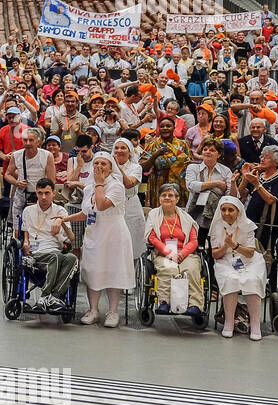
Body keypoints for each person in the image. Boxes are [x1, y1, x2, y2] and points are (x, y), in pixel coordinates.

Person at [59, 151, 133, 327]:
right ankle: (93, 310)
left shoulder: (116, 186)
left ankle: (113, 312)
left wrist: (99, 184)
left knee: (113, 271)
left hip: (114, 234)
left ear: (110, 167)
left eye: (103, 164)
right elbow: (87, 212)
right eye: (96, 163)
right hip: (94, 234)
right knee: (92, 270)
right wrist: (65, 218)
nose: (99, 166)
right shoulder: (89, 187)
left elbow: (101, 205)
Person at [208, 196, 266, 340]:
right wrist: (226, 246)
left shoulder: (248, 225)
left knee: (252, 280)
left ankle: (255, 324)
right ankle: (229, 322)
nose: (226, 213)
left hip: (249, 261)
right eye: (223, 210)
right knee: (231, 280)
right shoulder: (216, 226)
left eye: (230, 210)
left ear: (238, 212)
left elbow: (250, 252)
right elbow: (215, 254)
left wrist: (235, 246)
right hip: (225, 261)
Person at [144, 184, 204, 318]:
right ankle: (164, 301)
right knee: (168, 269)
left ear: (177, 199)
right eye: (163, 195)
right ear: (159, 199)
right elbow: (152, 237)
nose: (167, 198)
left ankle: (195, 305)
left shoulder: (186, 218)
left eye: (170, 195)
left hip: (185, 254)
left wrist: (182, 254)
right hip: (163, 253)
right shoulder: (154, 215)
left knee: (191, 270)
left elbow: (194, 241)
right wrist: (168, 252)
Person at [18, 177, 77, 311]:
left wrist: (62, 222)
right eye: (40, 193)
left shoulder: (60, 211)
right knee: (56, 256)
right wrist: (25, 243)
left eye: (47, 193)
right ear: (36, 193)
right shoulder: (29, 211)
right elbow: (25, 234)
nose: (43, 197)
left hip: (56, 249)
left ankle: (52, 297)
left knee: (72, 259)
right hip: (37, 252)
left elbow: (71, 238)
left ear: (54, 193)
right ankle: (46, 296)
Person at [111, 137, 147, 259]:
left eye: (123, 148)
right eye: (116, 148)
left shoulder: (136, 167)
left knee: (133, 238)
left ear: (130, 151)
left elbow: (129, 184)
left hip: (131, 204)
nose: (119, 150)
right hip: (112, 205)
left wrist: (117, 168)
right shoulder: (107, 166)